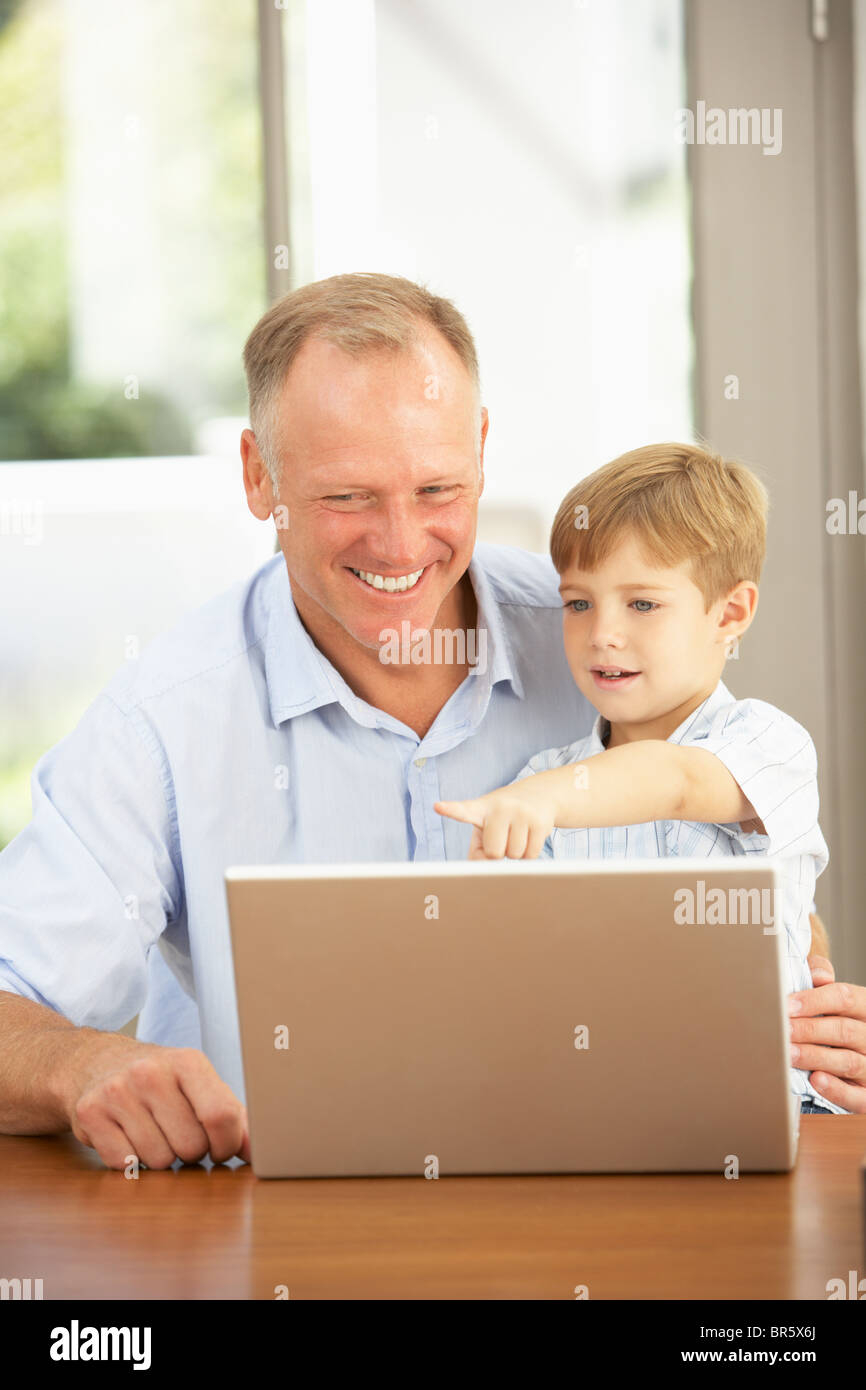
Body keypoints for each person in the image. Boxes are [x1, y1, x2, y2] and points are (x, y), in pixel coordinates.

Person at [0, 275, 861, 1173]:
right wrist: (83, 1063)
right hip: (282, 1240)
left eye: (438, 488)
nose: (403, 545)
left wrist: (812, 1009)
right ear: (262, 479)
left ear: (483, 451)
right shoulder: (165, 721)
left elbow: (744, 875)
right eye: (347, 498)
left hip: (603, 1214)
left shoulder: (606, 644)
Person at [435, 442, 847, 1114]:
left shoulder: (766, 742)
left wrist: (543, 801)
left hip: (767, 1110)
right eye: (578, 604)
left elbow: (677, 780)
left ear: (730, 614)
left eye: (643, 605)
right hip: (602, 1112)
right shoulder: (542, 777)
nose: (603, 634)